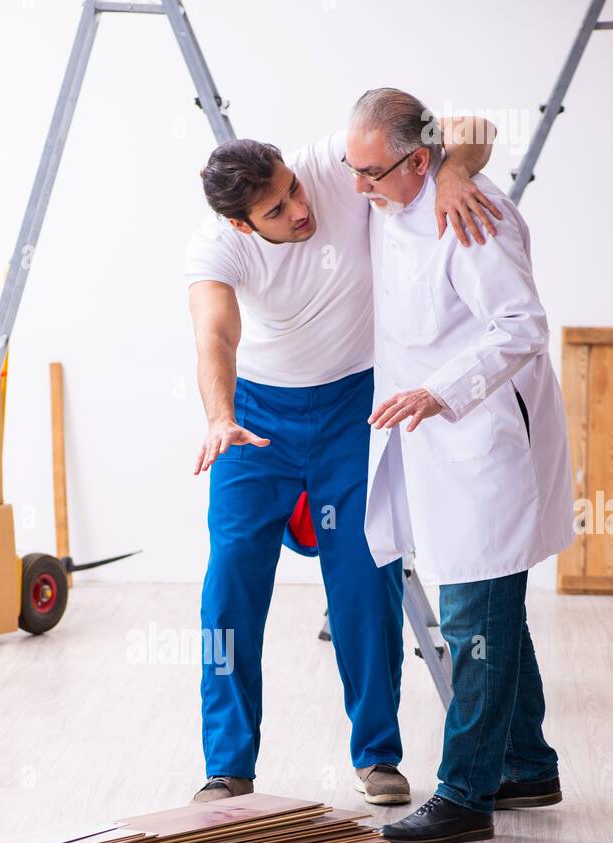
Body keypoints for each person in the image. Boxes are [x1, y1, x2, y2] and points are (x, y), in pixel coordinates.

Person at [184, 116, 500, 806]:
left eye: (292, 190)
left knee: (365, 576)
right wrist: (218, 417)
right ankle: (226, 766)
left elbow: (470, 121)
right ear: (243, 226)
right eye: (276, 210)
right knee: (228, 589)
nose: (300, 209)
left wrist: (450, 169)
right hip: (253, 422)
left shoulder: (329, 163)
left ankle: (377, 756)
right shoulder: (216, 248)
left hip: (352, 409)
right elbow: (215, 333)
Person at [344, 88, 573, 843]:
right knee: (491, 607)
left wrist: (439, 393)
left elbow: (523, 327)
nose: (355, 188)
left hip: (479, 443)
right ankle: (527, 763)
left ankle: (465, 794)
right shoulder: (397, 195)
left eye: (369, 172)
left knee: (474, 618)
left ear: (417, 160)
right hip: (431, 440)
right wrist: (453, 163)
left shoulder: (470, 217)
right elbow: (466, 126)